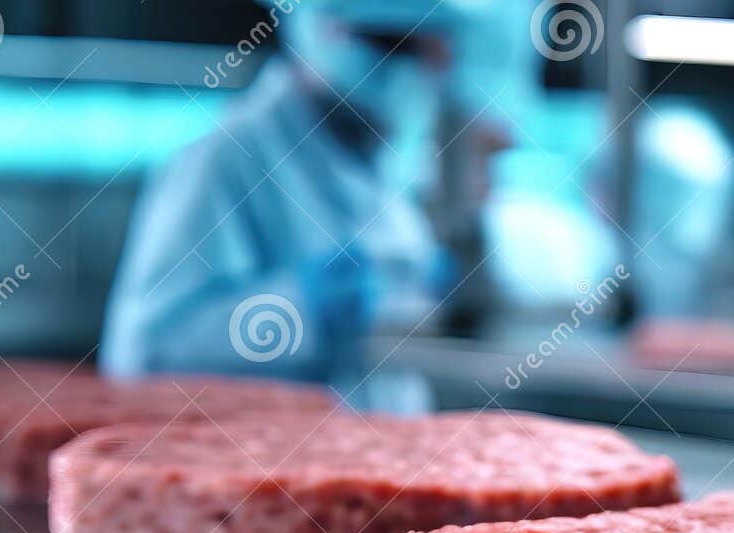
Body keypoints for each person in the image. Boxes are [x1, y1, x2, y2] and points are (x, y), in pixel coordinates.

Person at [101, 0, 493, 405]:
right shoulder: (225, 158)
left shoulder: (382, 156)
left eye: (433, 49)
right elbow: (144, 354)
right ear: (319, 29)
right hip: (263, 460)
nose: (417, 70)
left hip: (384, 450)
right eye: (394, 45)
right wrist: (301, 308)